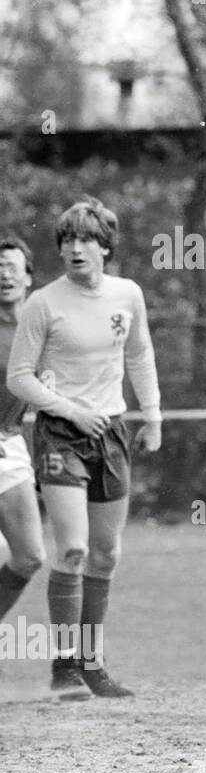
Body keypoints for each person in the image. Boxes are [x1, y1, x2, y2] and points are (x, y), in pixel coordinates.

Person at [6, 197, 162, 699]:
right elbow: (19, 378)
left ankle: (93, 665)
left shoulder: (127, 295)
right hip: (60, 433)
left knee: (106, 553)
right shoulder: (43, 303)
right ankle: (64, 670)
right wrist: (71, 409)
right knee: (71, 548)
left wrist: (152, 416)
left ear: (106, 247)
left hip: (113, 433)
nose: (75, 248)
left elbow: (140, 355)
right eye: (67, 240)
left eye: (85, 240)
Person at [0, 236, 48, 633]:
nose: (4, 275)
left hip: (8, 442)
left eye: (12, 267)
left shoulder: (39, 328)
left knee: (29, 555)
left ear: (29, 277)